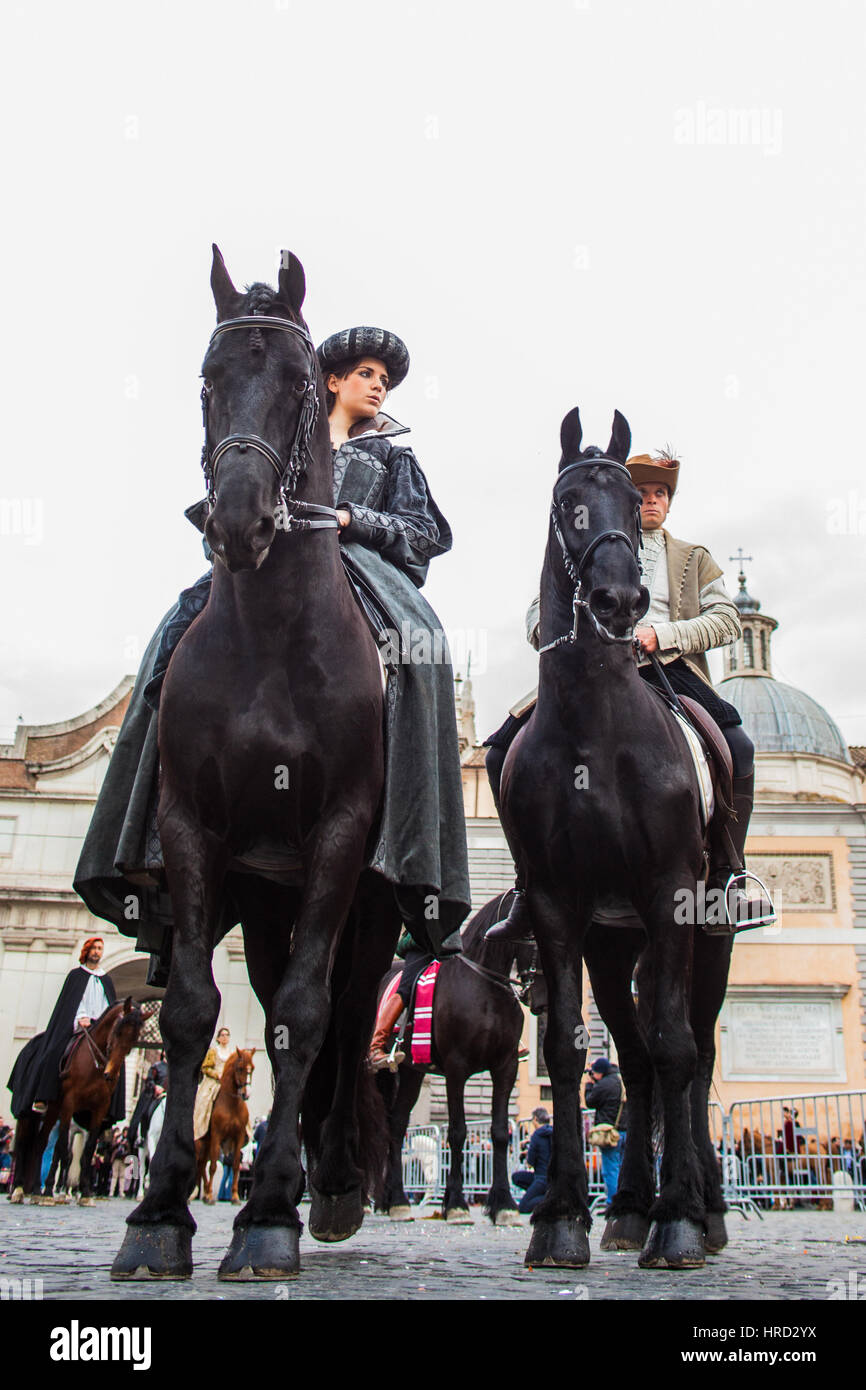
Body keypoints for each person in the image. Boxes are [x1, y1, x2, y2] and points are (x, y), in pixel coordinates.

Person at [73, 321, 471, 978]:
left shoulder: (393, 457)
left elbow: (425, 535)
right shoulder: (284, 436)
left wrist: (352, 519)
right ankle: (144, 825)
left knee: (424, 643)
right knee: (171, 635)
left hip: (355, 571)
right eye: (366, 374)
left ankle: (410, 829)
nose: (379, 386)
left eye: (385, 378)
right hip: (265, 568)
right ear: (332, 381)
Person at [485, 448, 774, 942]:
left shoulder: (692, 558)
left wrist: (661, 635)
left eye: (661, 493)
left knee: (738, 746)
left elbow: (726, 620)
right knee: (498, 753)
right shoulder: (591, 544)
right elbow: (539, 610)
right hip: (588, 671)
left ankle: (728, 872)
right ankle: (527, 884)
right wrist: (558, 639)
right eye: (642, 493)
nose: (652, 501)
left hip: (665, 670)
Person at [7, 937, 124, 1121]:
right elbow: (71, 1003)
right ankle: (43, 1097)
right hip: (76, 1024)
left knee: (116, 1059)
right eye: (93, 948)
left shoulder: (106, 980)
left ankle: (108, 1108)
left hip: (97, 1026)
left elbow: (107, 1006)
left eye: (100, 948)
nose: (96, 952)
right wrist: (81, 1017)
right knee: (52, 1051)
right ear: (87, 951)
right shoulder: (76, 976)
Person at [584, 1058, 628, 1202]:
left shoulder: (604, 1085)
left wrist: (589, 1085)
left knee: (610, 1169)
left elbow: (590, 1101)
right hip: (625, 1130)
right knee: (622, 1168)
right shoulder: (621, 1080)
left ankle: (613, 1202)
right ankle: (624, 1201)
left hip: (609, 1132)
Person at [193, 1027, 233, 1143]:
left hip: (226, 1082)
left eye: (227, 1035)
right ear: (218, 1038)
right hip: (213, 1081)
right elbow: (205, 1067)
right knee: (204, 1100)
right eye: (223, 1035)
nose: (225, 1037)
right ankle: (199, 1127)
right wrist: (217, 1075)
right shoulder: (213, 1051)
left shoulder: (232, 1053)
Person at [511, 1106, 553, 1214]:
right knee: (517, 1177)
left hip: (541, 1178)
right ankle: (547, 1195)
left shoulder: (536, 1135)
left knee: (523, 1207)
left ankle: (550, 1200)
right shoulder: (554, 1133)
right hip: (552, 1178)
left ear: (535, 1119)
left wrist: (527, 1155)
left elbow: (530, 1163)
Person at [127, 1051, 168, 1151]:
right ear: (163, 1053)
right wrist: (155, 1087)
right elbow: (149, 1080)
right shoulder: (156, 1067)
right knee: (146, 1113)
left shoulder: (174, 1069)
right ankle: (141, 1137)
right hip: (156, 1097)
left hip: (168, 1097)